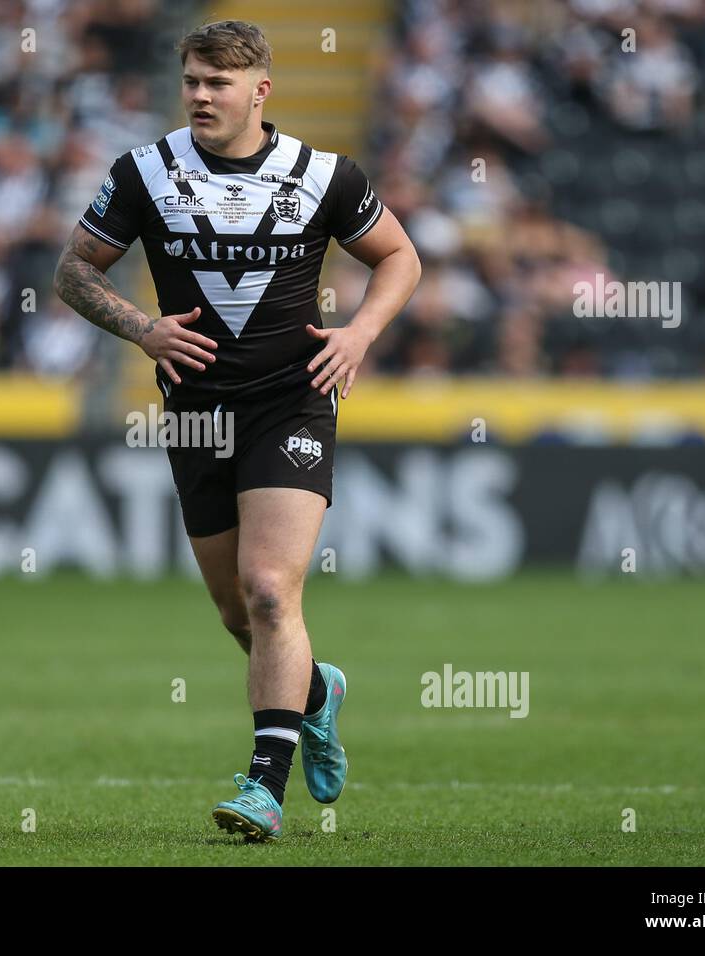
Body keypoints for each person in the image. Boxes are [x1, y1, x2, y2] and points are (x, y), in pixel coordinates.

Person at [53, 21, 421, 841]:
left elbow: (400, 257)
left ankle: (263, 787)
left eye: (218, 83)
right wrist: (143, 329)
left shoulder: (324, 176)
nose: (199, 96)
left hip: (292, 401)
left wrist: (358, 336)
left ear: (261, 90)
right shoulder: (144, 172)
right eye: (191, 80)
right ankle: (317, 695)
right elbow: (74, 269)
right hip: (196, 411)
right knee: (236, 612)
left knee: (268, 588)